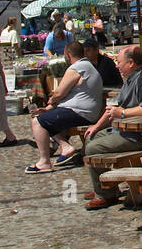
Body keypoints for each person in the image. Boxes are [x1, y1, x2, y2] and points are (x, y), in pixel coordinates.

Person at [78, 46, 142, 210]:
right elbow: (113, 109)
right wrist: (96, 126)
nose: (116, 65)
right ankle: (104, 187)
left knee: (93, 148)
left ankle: (105, 195)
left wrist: (123, 113)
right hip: (127, 131)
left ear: (131, 63)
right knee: (90, 138)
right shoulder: (130, 77)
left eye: (119, 62)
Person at [25, 41, 103, 173]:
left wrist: (51, 101)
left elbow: (60, 93)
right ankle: (65, 146)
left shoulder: (76, 68)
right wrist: (48, 109)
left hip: (80, 112)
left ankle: (44, 161)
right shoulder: (88, 66)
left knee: (37, 122)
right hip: (87, 111)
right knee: (46, 118)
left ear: (68, 54)